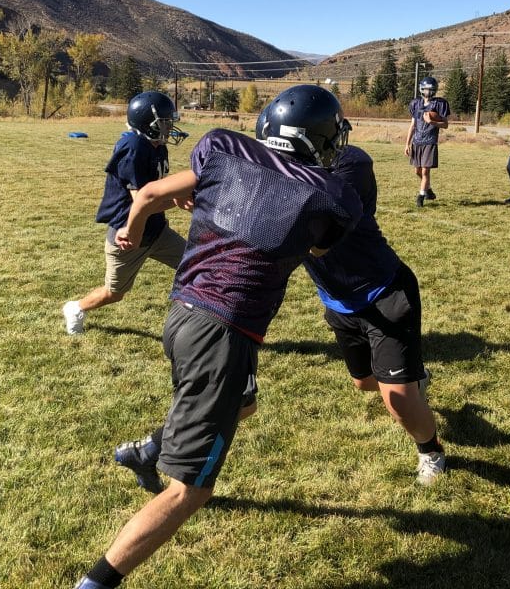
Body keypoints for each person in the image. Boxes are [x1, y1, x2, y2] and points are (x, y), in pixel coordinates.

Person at [73, 85, 361, 589]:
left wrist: (170, 218)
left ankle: (147, 451)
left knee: (242, 405)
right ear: (314, 139)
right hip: (223, 333)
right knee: (190, 491)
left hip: (184, 312)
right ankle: (96, 582)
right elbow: (314, 248)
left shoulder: (224, 150)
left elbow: (152, 194)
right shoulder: (329, 196)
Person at [302, 143, 445, 485]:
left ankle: (431, 450)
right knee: (364, 383)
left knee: (396, 398)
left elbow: (319, 228)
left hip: (385, 293)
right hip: (339, 302)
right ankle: (416, 378)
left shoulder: (350, 165)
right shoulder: (281, 174)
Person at [62, 91, 187, 335]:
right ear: (147, 123)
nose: (170, 127)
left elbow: (159, 187)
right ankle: (76, 307)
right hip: (128, 235)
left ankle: (200, 318)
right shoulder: (133, 146)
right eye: (164, 122)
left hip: (156, 231)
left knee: (192, 264)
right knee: (114, 293)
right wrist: (179, 199)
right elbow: (143, 201)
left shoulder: (157, 146)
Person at [404, 76, 450, 207]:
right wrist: (407, 143)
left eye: (430, 90)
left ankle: (421, 196)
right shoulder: (416, 103)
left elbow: (446, 125)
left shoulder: (440, 104)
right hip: (417, 141)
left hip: (430, 141)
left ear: (434, 90)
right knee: (417, 171)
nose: (427, 92)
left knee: (425, 171)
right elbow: (412, 125)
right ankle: (428, 189)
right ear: (421, 89)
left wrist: (433, 122)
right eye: (425, 89)